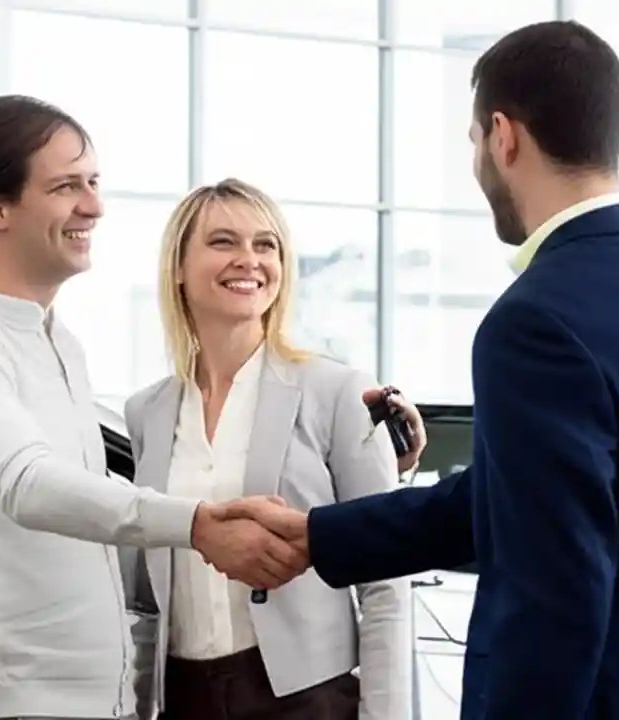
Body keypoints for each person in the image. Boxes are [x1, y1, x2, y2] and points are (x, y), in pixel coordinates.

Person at [223, 20, 619, 720]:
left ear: (504, 136)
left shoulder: (536, 320)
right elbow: (532, 499)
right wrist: (324, 535)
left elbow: (553, 600)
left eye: (474, 141)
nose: (478, 159)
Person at [0, 95, 309, 720]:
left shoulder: (59, 341)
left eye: (93, 182)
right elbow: (29, 485)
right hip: (17, 705)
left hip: (100, 703)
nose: (94, 205)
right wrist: (198, 525)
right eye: (66, 186)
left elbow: (104, 508)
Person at [122, 177, 418, 720]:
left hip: (306, 699)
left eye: (266, 245)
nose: (249, 260)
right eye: (223, 242)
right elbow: (143, 595)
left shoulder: (336, 392)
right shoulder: (147, 412)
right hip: (183, 696)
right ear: (179, 267)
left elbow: (385, 583)